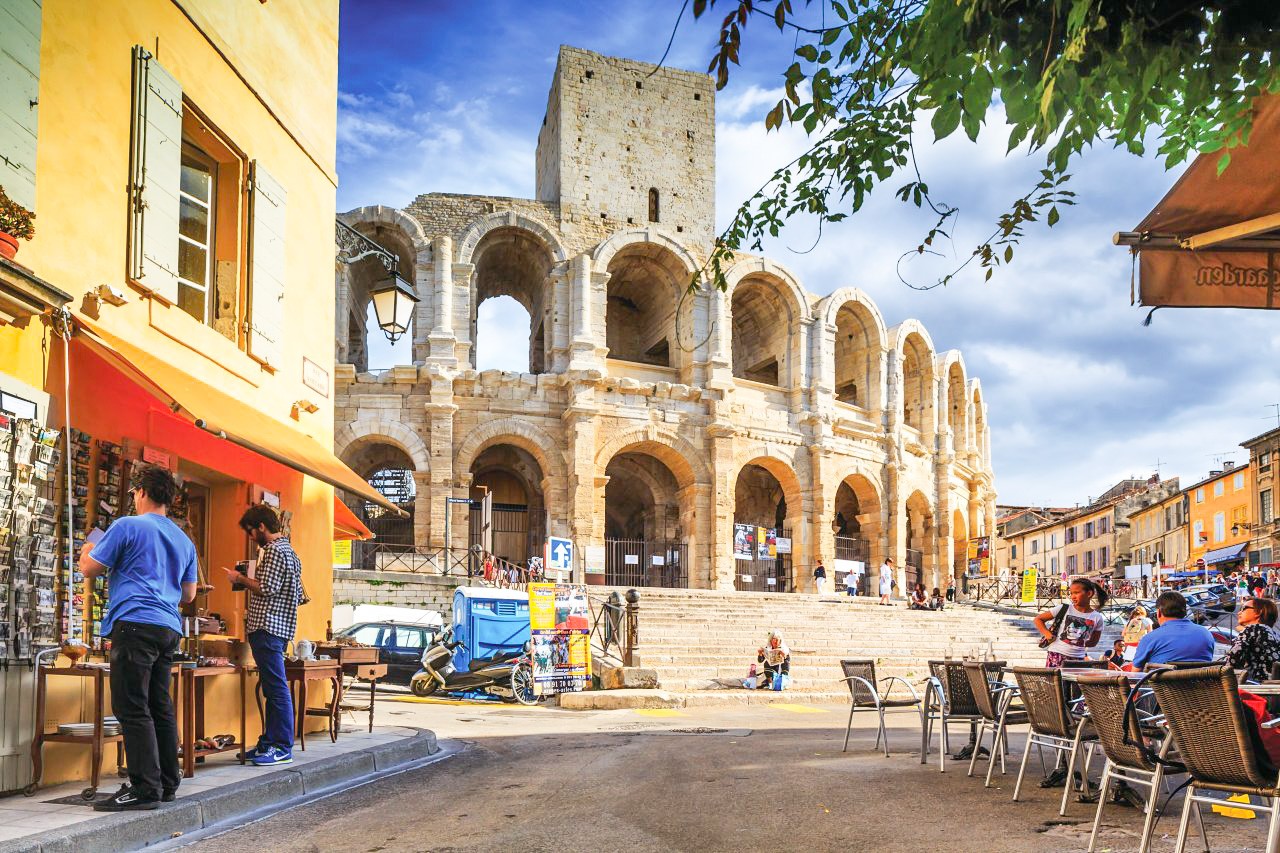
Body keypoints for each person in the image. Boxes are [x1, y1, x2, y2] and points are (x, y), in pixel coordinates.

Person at [79, 465, 196, 811]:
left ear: (141, 492)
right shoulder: (183, 539)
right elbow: (188, 594)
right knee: (159, 704)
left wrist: (88, 547)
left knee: (131, 706)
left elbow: (89, 568)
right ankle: (166, 783)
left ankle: (144, 787)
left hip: (134, 623)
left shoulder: (127, 525)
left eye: (133, 493)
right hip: (167, 627)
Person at [223, 505, 303, 768]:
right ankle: (269, 742)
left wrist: (240, 578)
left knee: (276, 688)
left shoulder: (273, 551)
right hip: (278, 629)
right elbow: (300, 594)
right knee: (272, 688)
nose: (250, 537)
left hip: (267, 628)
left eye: (250, 531)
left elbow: (266, 588)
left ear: (261, 527)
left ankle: (281, 746)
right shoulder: (291, 552)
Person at [1127, 591, 1215, 670]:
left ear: (1159, 613)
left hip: (1162, 688)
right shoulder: (1206, 634)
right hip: (1201, 687)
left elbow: (1135, 675)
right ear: (1185, 611)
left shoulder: (1150, 638)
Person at [1034, 578, 1107, 667]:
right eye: (1071, 593)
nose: (1073, 596)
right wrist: (1048, 634)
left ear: (1089, 594)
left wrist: (1078, 641)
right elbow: (1038, 619)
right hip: (1057, 655)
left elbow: (1093, 642)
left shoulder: (1097, 617)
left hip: (1079, 659)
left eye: (1076, 593)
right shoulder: (1064, 608)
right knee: (1055, 681)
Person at [1227, 597, 1280, 683]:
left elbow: (1232, 662)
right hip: (1275, 688)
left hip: (1259, 688)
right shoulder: (1274, 634)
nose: (1239, 612)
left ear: (1259, 612)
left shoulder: (1251, 629)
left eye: (1244, 608)